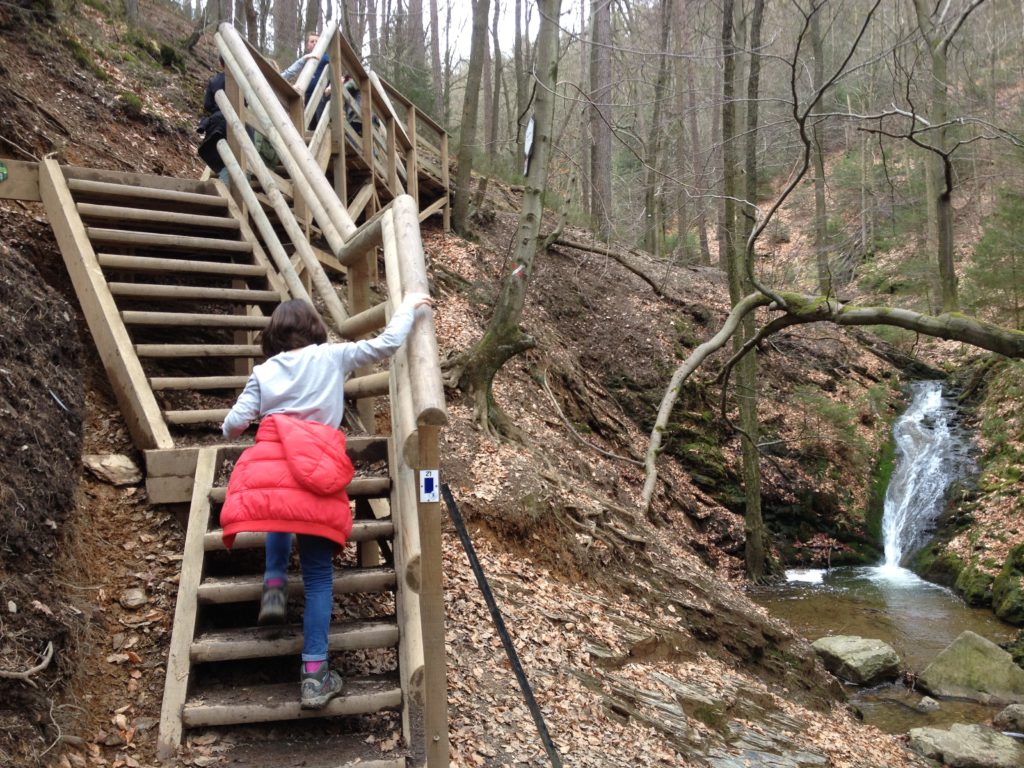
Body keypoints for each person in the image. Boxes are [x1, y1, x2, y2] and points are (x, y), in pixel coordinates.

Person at [219, 292, 432, 709]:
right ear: (313, 329)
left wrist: (258, 419)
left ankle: (275, 586)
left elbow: (232, 426)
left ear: (275, 335)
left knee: (279, 507)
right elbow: (385, 345)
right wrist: (406, 306)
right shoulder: (331, 357)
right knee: (318, 576)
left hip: (275, 466)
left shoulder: (264, 372)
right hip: (319, 468)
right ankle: (314, 675)